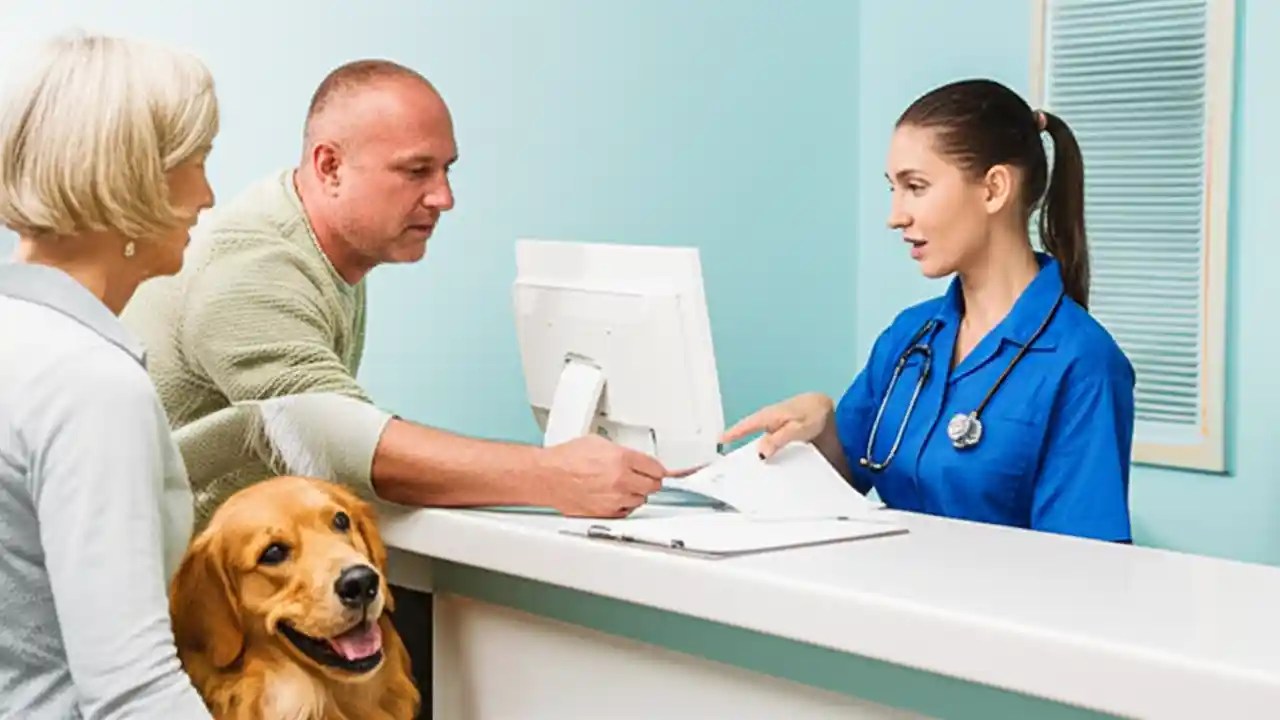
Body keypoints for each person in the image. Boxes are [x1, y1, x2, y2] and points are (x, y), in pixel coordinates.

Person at [121, 58, 668, 718]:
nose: (444, 197)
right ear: (328, 167)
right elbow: (331, 434)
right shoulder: (256, 268)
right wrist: (549, 477)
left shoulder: (319, 249)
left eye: (447, 170)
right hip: (173, 621)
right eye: (416, 171)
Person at [724, 78, 1135, 543]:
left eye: (915, 187)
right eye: (893, 190)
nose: (895, 215)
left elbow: (1085, 568)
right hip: (883, 605)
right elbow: (842, 481)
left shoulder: (1083, 364)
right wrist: (820, 426)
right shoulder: (910, 338)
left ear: (994, 189)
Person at [0, 33, 218, 718]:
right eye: (198, 162)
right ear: (136, 177)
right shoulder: (89, 385)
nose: (208, 195)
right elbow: (132, 692)